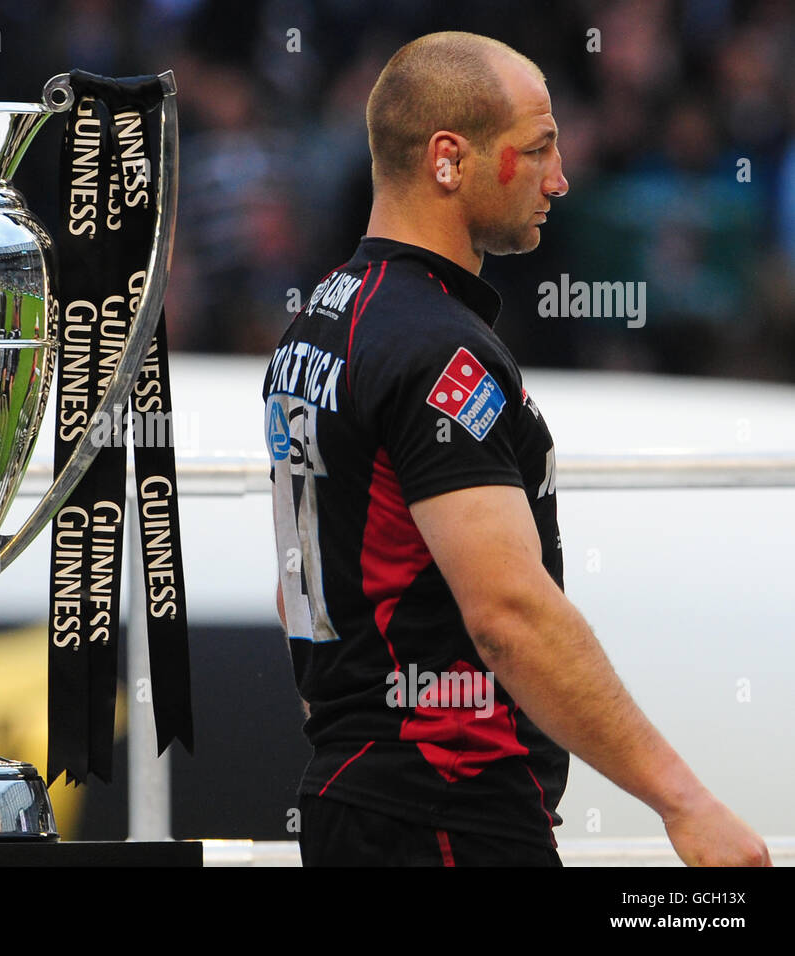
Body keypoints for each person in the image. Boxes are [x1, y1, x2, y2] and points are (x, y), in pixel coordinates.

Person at [263, 31, 771, 867]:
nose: (561, 179)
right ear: (448, 160)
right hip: (446, 807)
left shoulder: (317, 322)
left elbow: (297, 597)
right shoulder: (436, 351)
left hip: (350, 798)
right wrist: (685, 804)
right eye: (537, 149)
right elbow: (509, 615)